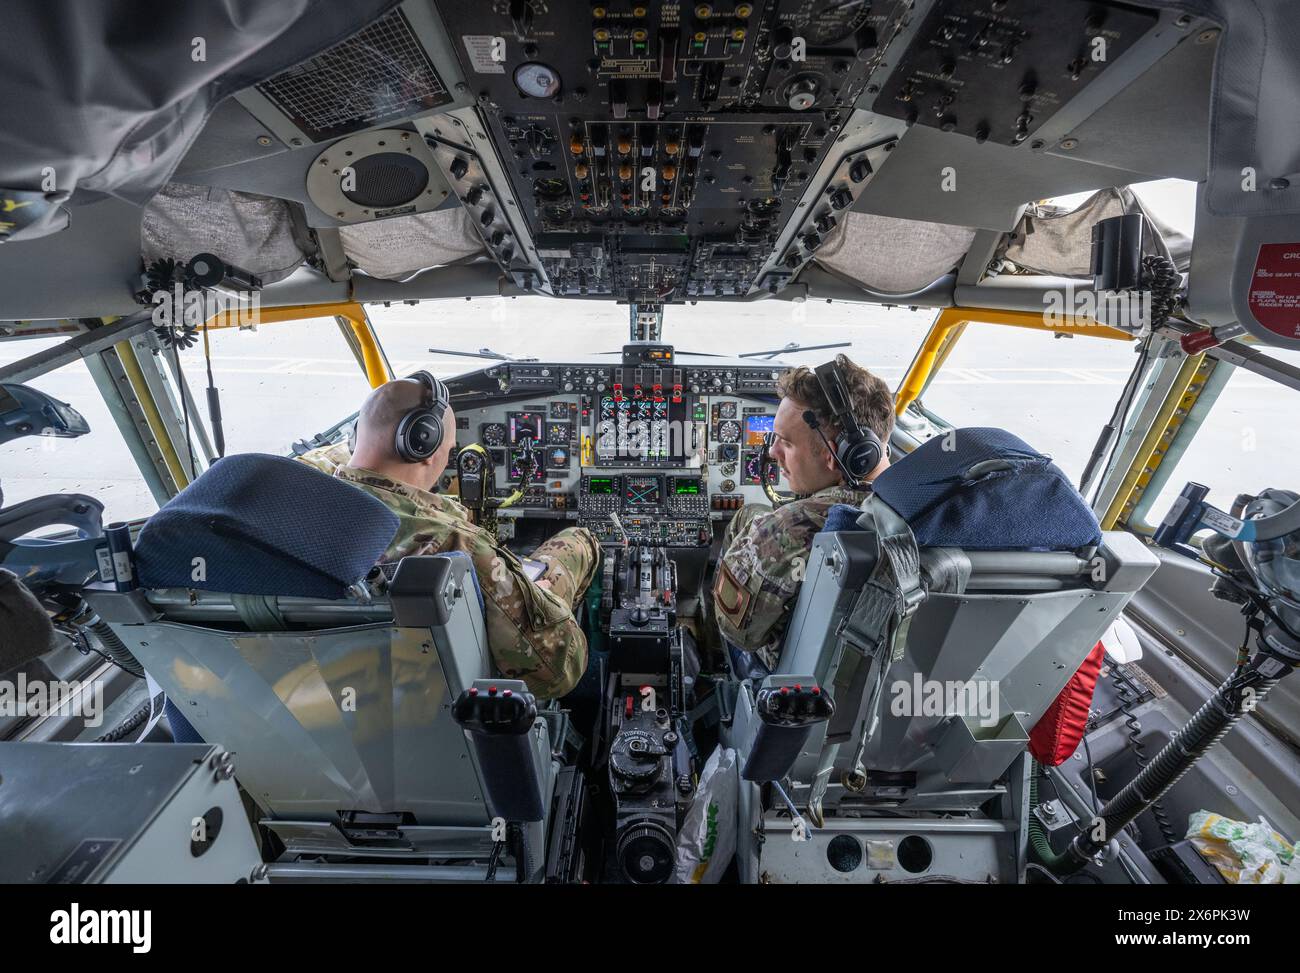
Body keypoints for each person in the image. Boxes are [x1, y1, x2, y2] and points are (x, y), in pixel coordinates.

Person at [334, 374, 600, 699]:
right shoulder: (455, 544)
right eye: (449, 448)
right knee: (580, 540)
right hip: (443, 698)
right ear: (424, 445)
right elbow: (560, 669)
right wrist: (547, 600)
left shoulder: (298, 506)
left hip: (341, 686)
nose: (447, 456)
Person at [713, 355, 894, 672]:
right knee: (752, 515)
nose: (772, 452)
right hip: (873, 679)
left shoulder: (788, 530)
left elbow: (737, 632)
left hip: (796, 681)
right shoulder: (919, 504)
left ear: (833, 456)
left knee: (749, 523)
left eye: (785, 442)